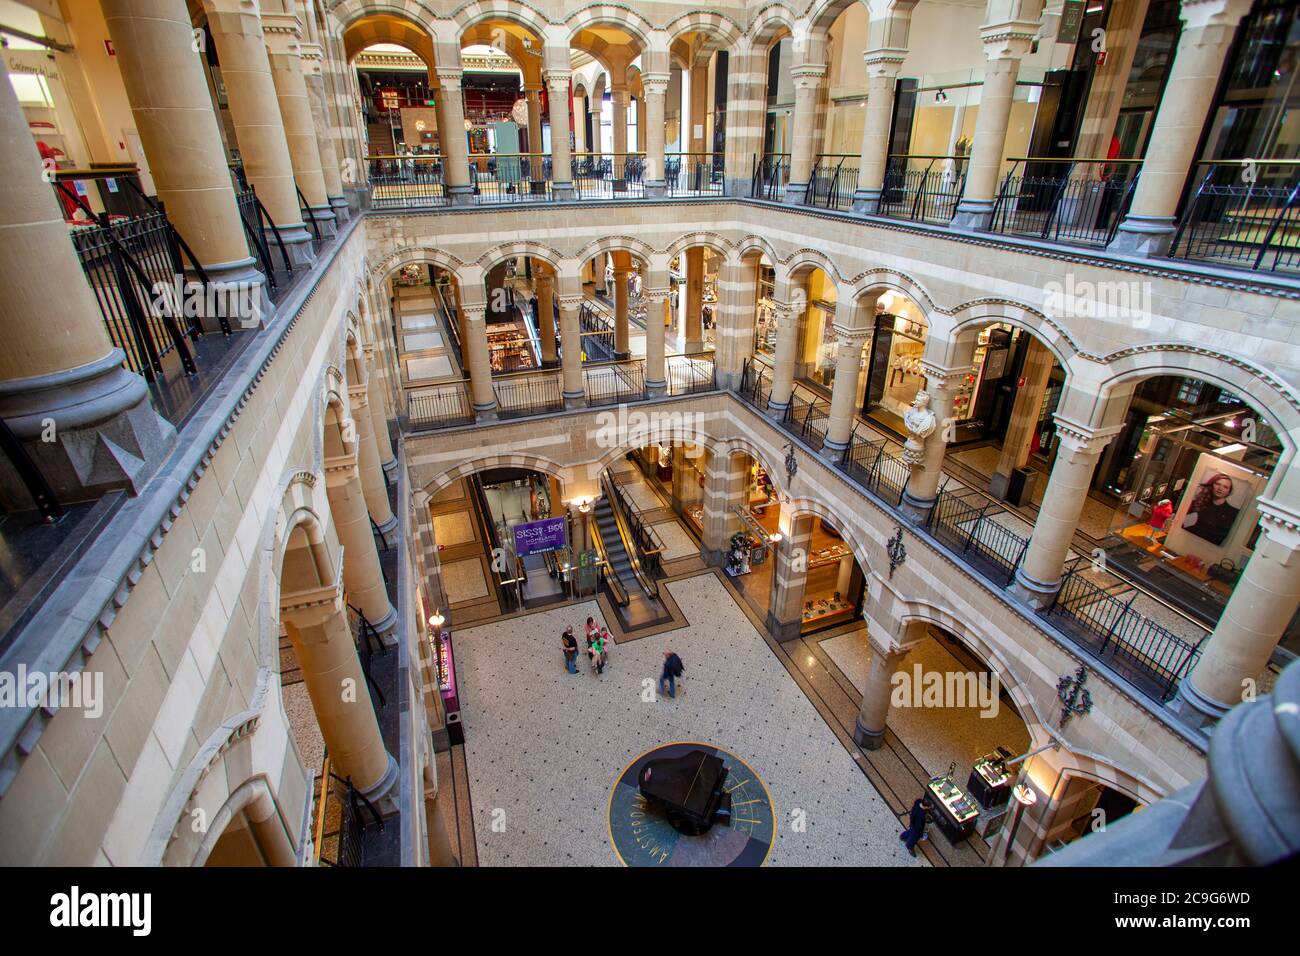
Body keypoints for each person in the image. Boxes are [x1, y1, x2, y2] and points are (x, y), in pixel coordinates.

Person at [1181, 473, 1240, 546]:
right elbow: (1184, 526)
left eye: (1225, 487)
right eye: (1218, 484)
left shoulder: (1233, 513)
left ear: (1229, 491)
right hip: (1186, 542)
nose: (1220, 488)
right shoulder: (1196, 504)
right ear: (1212, 485)